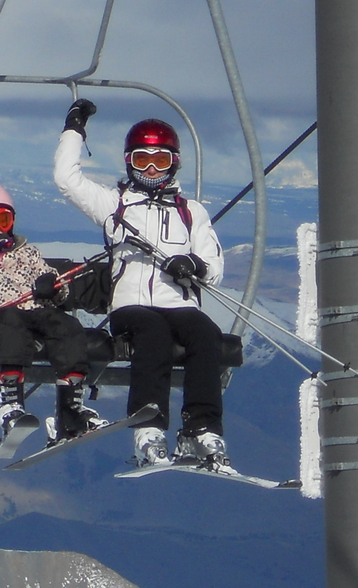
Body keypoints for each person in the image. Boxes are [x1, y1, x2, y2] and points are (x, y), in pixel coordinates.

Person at [53, 99, 230, 470]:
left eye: (160, 161)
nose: (151, 169)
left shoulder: (190, 211)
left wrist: (193, 264)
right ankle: (148, 429)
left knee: (206, 334)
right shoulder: (115, 206)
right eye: (141, 160)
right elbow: (67, 181)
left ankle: (202, 428)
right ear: (128, 163)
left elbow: (214, 266)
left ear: (174, 162)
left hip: (179, 304)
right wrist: (75, 128)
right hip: (131, 306)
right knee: (153, 337)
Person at [0, 181, 106, 444]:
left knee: (67, 327)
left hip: (38, 311)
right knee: (11, 326)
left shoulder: (27, 253)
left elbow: (57, 285)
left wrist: (51, 287)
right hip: (1, 314)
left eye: (3, 220)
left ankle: (71, 410)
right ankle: (11, 403)